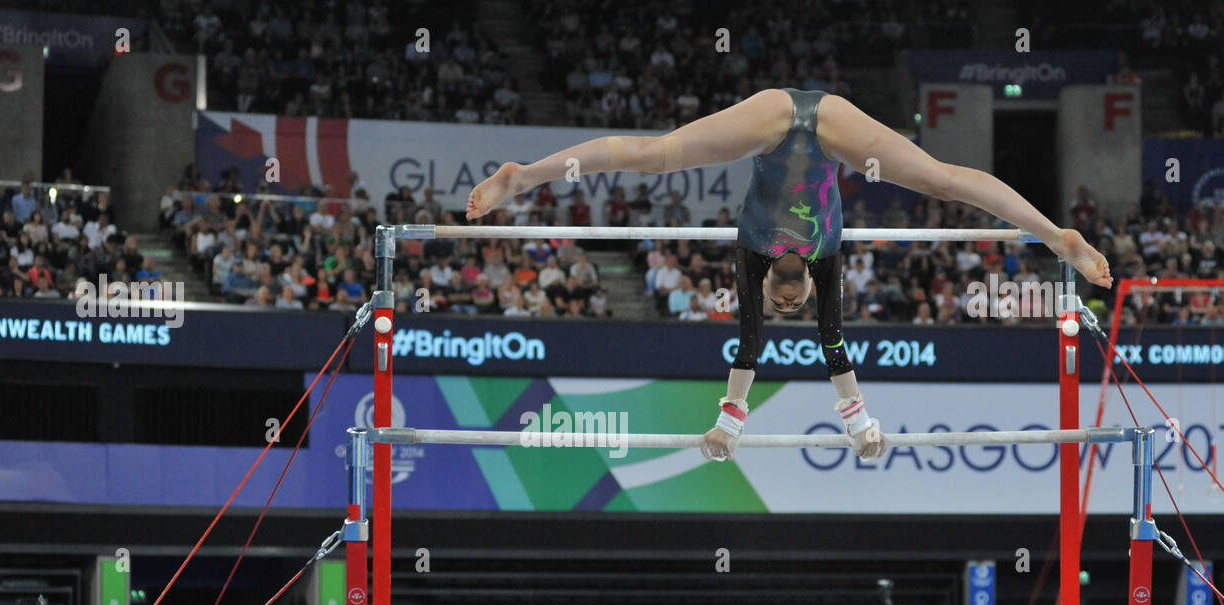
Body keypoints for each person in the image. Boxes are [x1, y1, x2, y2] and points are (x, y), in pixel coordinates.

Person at [468, 88, 1112, 462]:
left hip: (773, 121)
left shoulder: (753, 259)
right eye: (794, 301)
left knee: (658, 156)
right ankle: (1055, 234)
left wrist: (728, 422)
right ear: (807, 289)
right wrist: (860, 426)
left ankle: (523, 176)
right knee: (940, 179)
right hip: (831, 128)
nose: (785, 299)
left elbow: (750, 344)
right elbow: (833, 347)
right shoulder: (825, 259)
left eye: (782, 302)